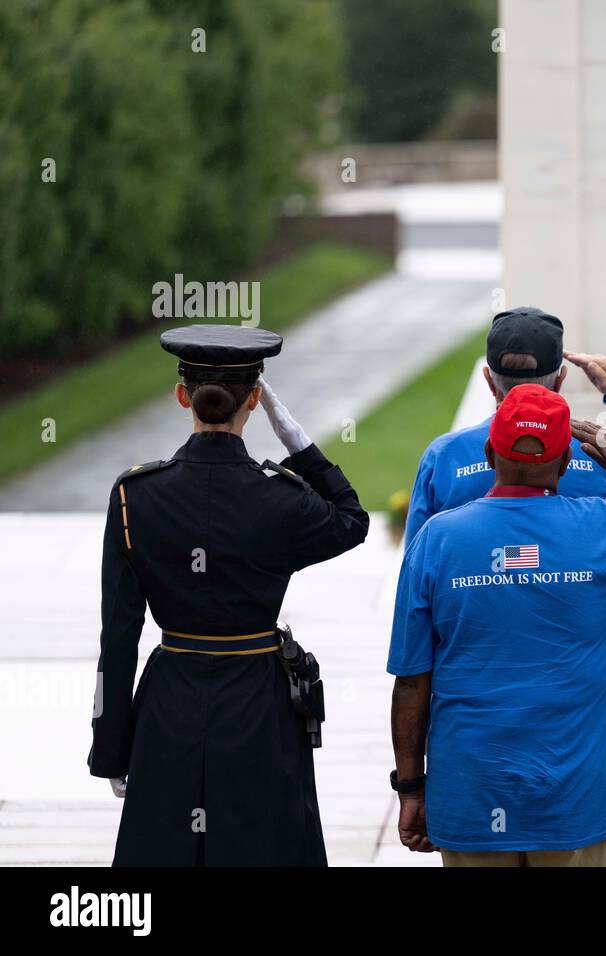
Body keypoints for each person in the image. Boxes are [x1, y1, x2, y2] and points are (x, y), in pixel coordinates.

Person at [388, 385, 606, 866]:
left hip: (472, 791)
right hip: (576, 794)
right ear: (565, 462)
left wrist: (411, 787)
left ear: (488, 452)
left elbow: (411, 682)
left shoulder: (437, 540)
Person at [89, 324, 369, 866]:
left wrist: (111, 749)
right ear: (256, 400)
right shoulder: (282, 498)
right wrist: (301, 446)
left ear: (181, 395)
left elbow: (119, 635)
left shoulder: (135, 496)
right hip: (259, 703)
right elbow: (351, 520)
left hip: (170, 702)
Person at [403, 305, 606, 541]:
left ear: (488, 381)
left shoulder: (443, 457)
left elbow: (418, 569)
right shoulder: (605, 450)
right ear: (560, 380)